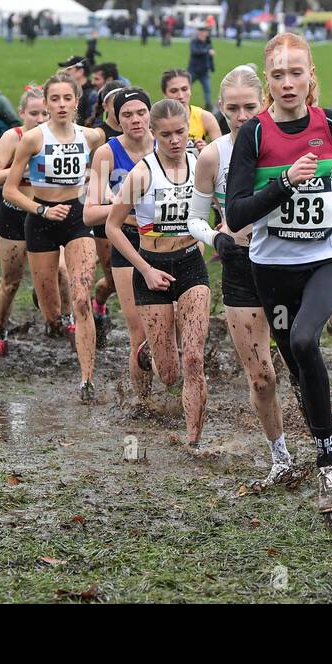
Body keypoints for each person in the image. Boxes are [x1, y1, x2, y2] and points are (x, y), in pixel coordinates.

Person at [224, 32, 332, 535]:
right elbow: (234, 213)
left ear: (311, 76)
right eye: (278, 75)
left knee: (302, 339)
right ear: (268, 80)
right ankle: (321, 422)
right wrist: (285, 182)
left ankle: (329, 466)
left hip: (325, 258)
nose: (288, 83)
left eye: (297, 73)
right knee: (297, 367)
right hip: (270, 267)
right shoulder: (253, 135)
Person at [187, 65, 297, 487]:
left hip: (288, 264)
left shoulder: (287, 146)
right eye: (232, 108)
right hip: (240, 268)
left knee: (298, 358)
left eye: (250, 106)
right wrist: (216, 237)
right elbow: (194, 219)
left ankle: (322, 439)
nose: (241, 115)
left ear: (264, 103)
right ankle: (280, 455)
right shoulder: (213, 155)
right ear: (221, 108)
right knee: (262, 375)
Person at [105, 98, 212, 446]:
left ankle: (193, 440)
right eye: (166, 135)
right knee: (169, 373)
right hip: (151, 269)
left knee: (194, 358)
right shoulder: (142, 173)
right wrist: (146, 269)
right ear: (154, 134)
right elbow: (112, 227)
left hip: (190, 266)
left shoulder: (202, 165)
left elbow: (225, 209)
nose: (175, 141)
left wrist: (219, 236)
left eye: (180, 132)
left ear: (188, 129)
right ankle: (150, 354)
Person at [3, 71, 105, 402]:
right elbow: (9, 189)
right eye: (55, 99)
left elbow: (105, 165)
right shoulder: (33, 139)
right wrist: (41, 210)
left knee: (80, 299)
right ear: (46, 103)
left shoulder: (91, 137)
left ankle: (87, 379)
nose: (61, 105)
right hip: (41, 220)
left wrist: (95, 189)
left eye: (67, 98)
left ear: (77, 101)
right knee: (52, 311)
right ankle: (51, 319)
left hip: (76, 220)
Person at [0, 86, 71, 356]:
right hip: (15, 216)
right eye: (33, 113)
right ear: (21, 113)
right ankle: (0, 328)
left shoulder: (57, 135)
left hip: (47, 214)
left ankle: (68, 322)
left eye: (44, 113)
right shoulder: (14, 137)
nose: (40, 118)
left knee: (62, 272)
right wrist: (22, 166)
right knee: (10, 282)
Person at [84, 88, 156, 396]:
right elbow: (89, 214)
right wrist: (124, 211)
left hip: (168, 243)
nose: (135, 120)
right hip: (125, 242)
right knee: (139, 333)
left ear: (150, 114)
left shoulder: (168, 143)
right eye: (127, 114)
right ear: (116, 117)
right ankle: (143, 403)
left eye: (141, 112)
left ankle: (175, 392)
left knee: (171, 329)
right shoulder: (108, 153)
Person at [160, 68, 222, 156]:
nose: (180, 96)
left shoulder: (205, 117)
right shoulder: (156, 120)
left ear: (190, 90)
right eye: (174, 91)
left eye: (184, 89)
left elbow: (222, 153)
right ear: (164, 94)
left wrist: (207, 151)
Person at [188, 27, 216, 110]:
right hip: (194, 70)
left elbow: (210, 57)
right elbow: (195, 52)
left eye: (205, 32)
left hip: (204, 71)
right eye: (201, 32)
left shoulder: (208, 43)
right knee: (186, 87)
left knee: (208, 90)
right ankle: (180, 104)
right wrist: (207, 51)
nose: (203, 34)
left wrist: (212, 67)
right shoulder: (194, 42)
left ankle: (208, 107)